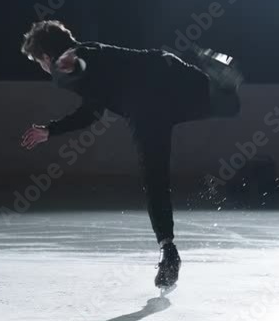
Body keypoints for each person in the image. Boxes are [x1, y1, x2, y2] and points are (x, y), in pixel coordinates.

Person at [19, 20, 242, 289]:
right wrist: (51, 130)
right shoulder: (92, 60)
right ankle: (220, 77)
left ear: (45, 56)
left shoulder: (76, 59)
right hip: (168, 71)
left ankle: (168, 250)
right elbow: (91, 111)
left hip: (146, 104)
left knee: (154, 177)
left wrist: (70, 64)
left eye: (39, 62)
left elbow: (81, 61)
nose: (43, 68)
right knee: (229, 105)